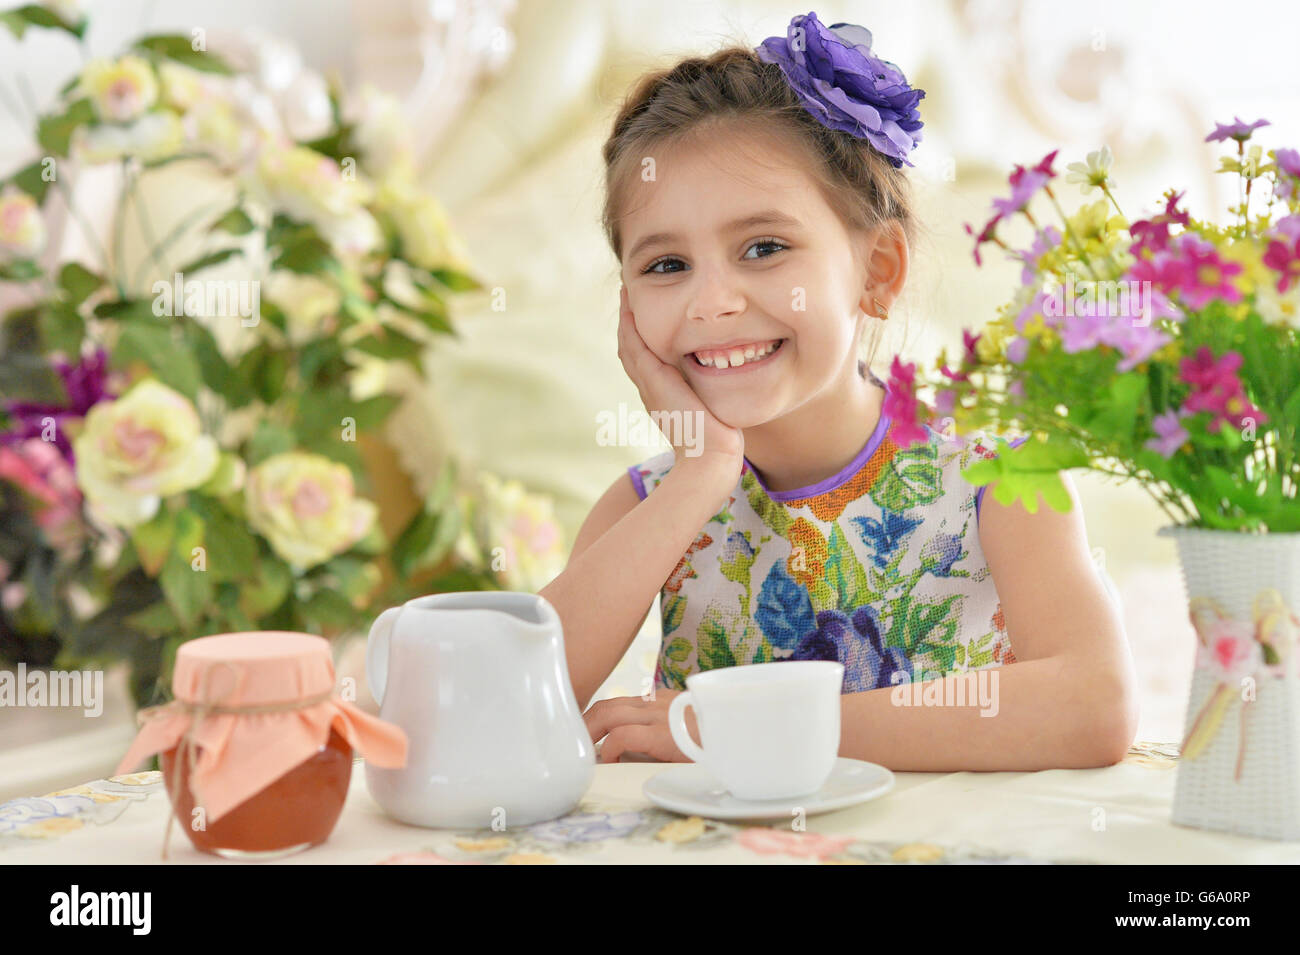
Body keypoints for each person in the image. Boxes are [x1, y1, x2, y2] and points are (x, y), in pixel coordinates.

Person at [539, 12, 1138, 772]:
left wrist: (750, 730)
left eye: (764, 248)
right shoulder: (649, 506)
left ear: (877, 271)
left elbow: (1095, 704)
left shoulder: (1000, 476)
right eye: (665, 266)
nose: (712, 302)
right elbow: (503, 711)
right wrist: (700, 472)